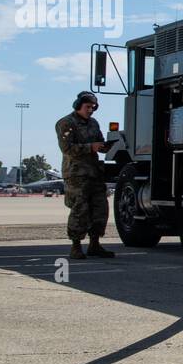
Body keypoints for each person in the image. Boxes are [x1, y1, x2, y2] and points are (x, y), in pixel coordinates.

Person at [55, 91, 114, 259]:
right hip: (76, 174)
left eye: (93, 107)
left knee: (100, 209)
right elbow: (67, 149)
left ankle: (94, 244)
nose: (91, 110)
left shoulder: (93, 123)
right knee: (80, 210)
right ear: (78, 105)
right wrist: (90, 147)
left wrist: (104, 147)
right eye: (88, 107)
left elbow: (99, 141)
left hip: (94, 173)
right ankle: (76, 246)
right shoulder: (66, 123)